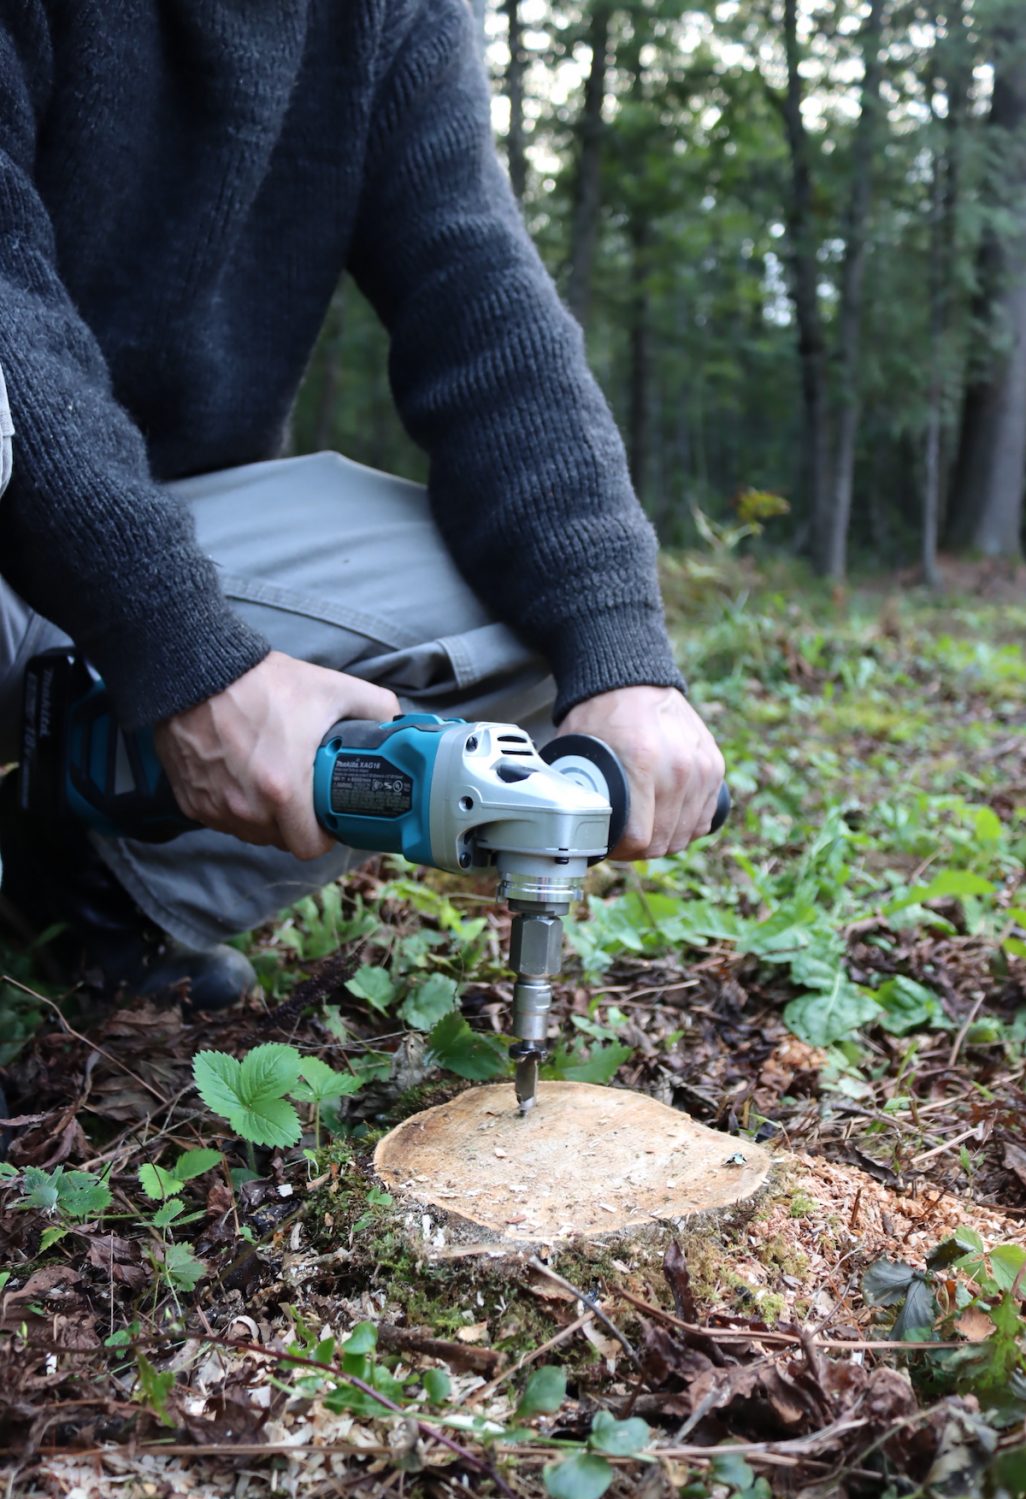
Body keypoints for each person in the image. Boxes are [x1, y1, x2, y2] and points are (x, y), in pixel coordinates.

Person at [0, 0, 724, 1010]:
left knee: (523, 615)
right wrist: (177, 646)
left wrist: (622, 655)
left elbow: (483, 311)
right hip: (33, 501)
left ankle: (76, 880)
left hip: (138, 530)